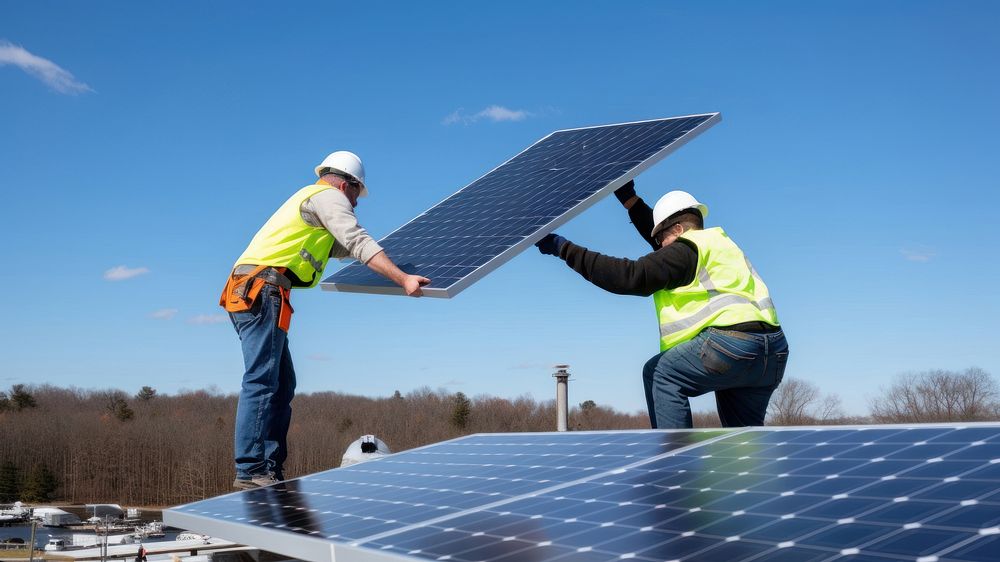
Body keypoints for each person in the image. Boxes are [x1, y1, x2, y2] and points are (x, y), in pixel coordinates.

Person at [220, 151, 430, 489]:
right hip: (262, 290)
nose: (355, 204)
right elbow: (355, 240)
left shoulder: (310, 200)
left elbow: (340, 246)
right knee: (260, 382)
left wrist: (389, 250)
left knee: (281, 384)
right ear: (346, 184)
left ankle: (268, 469)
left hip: (251, 291)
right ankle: (251, 471)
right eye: (356, 195)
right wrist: (402, 277)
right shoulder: (328, 196)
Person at [535, 180, 788, 429]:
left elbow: (630, 276)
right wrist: (631, 202)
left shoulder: (686, 250)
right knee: (742, 445)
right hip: (771, 355)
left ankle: (675, 463)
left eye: (662, 239)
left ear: (678, 230)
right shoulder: (720, 245)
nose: (659, 248)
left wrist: (563, 248)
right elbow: (663, 245)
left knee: (660, 373)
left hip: (728, 348)